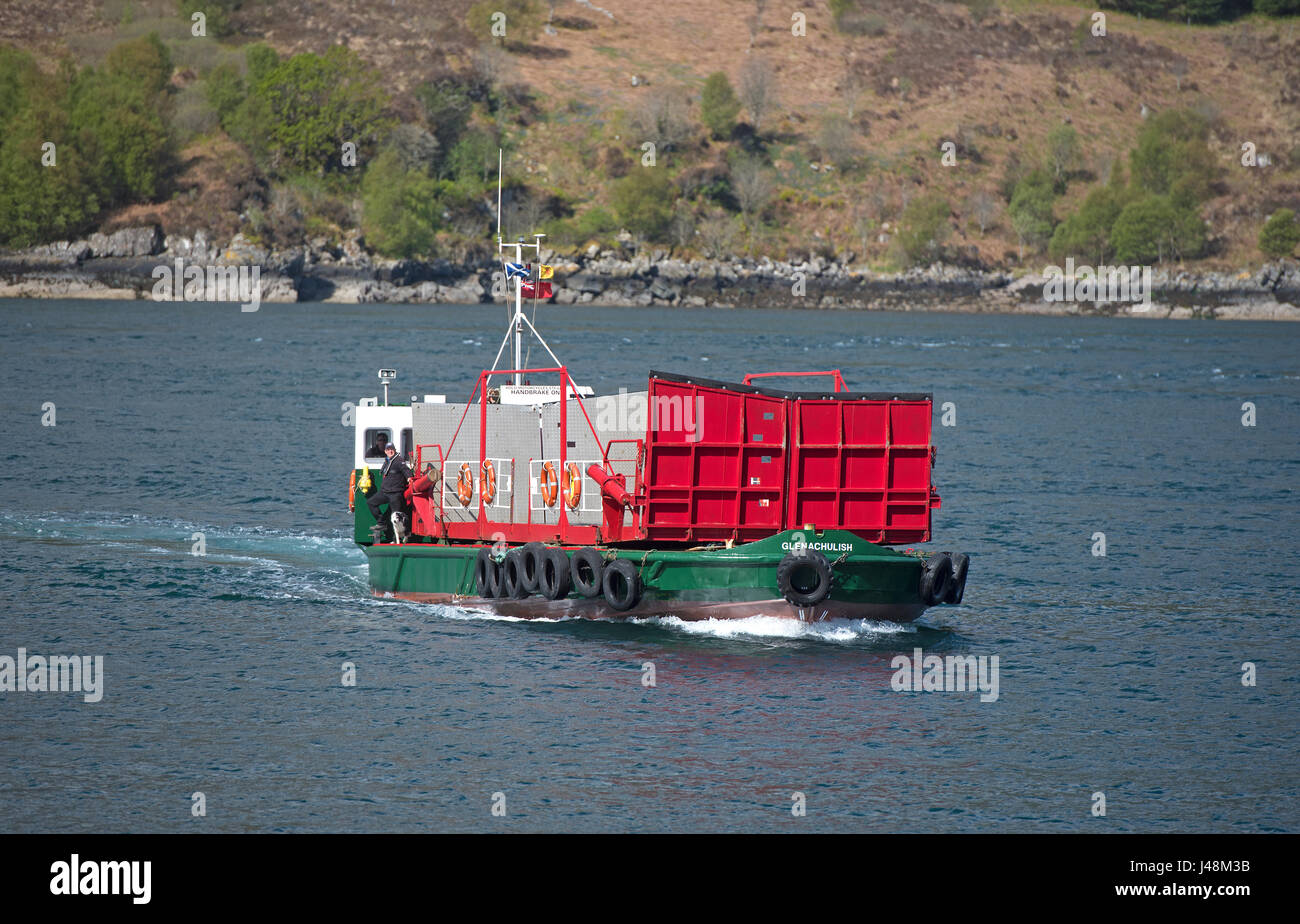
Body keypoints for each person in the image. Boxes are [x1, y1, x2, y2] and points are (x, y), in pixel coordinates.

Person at [367, 443, 412, 542]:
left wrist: (409, 478)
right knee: (371, 502)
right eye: (387, 450)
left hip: (395, 493)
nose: (389, 451)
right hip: (384, 492)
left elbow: (406, 470)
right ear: (385, 451)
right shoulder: (387, 461)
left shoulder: (399, 460)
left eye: (391, 449)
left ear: (394, 450)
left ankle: (396, 540)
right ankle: (381, 523)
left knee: (397, 517)